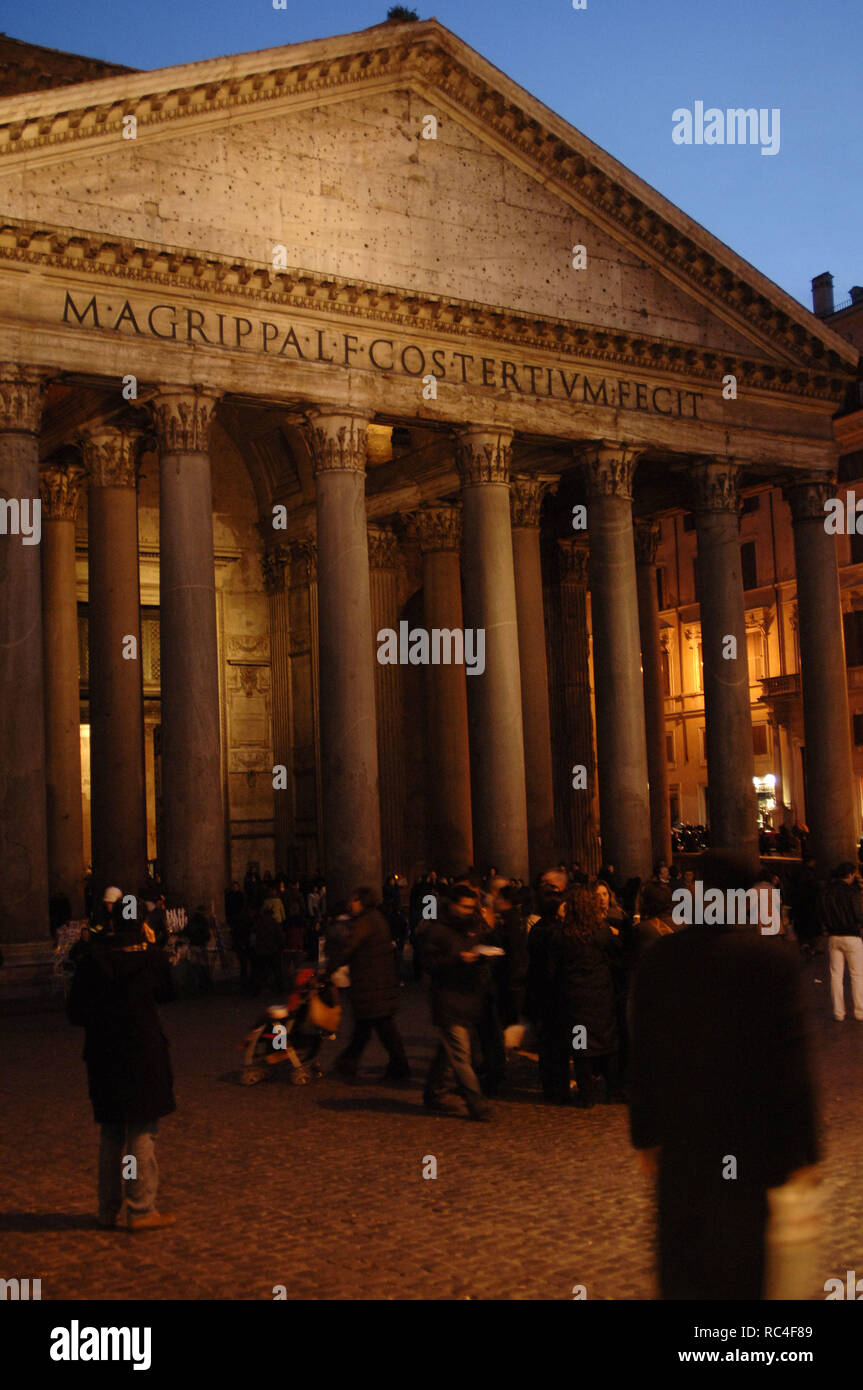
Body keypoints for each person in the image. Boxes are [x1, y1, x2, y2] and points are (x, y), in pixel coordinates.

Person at [629, 884, 819, 1299]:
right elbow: (791, 1059)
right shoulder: (769, 959)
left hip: (685, 1130)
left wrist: (644, 1133)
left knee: (686, 1247)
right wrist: (805, 1148)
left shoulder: (664, 956)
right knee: (744, 1247)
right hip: (749, 1130)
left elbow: (645, 1049)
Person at [67, 898, 177, 1231]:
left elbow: (74, 1012)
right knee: (141, 1131)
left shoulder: (92, 961)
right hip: (142, 1053)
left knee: (112, 1132)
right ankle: (140, 1208)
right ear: (142, 923)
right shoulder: (152, 959)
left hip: (103, 1054)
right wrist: (153, 947)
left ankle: (107, 1208)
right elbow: (170, 994)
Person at [421, 885, 493, 1121]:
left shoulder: (472, 927)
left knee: (449, 1051)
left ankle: (434, 1093)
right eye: (464, 906)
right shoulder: (437, 930)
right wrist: (457, 959)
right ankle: (476, 1102)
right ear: (451, 903)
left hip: (468, 998)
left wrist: (481, 957)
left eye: (471, 907)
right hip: (449, 999)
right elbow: (429, 963)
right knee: (461, 1055)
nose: (468, 911)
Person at [546, 885, 622, 1106]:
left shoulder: (562, 936)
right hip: (601, 996)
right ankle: (614, 1089)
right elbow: (616, 958)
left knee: (581, 1047)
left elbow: (553, 970)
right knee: (607, 1043)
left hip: (575, 998)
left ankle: (586, 1093)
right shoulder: (602, 931)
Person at [329, 887, 411, 1082]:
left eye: (354, 900)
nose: (351, 904)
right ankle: (350, 1064)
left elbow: (348, 948)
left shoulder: (365, 922)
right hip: (376, 984)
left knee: (380, 1030)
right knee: (369, 1029)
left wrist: (329, 969)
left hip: (372, 985)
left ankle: (397, 1067)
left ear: (362, 901)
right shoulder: (375, 918)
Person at [524, 868, 568, 1102]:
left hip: (540, 994)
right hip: (555, 995)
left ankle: (549, 1085)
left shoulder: (537, 929)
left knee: (547, 1043)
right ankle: (559, 1088)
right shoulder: (556, 933)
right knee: (559, 1044)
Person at [817, 861, 863, 1021]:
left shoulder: (826, 892)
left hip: (833, 936)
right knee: (857, 975)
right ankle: (859, 1011)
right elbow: (858, 914)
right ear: (850, 874)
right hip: (852, 936)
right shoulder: (852, 892)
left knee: (836, 976)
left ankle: (838, 1013)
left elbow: (821, 913)